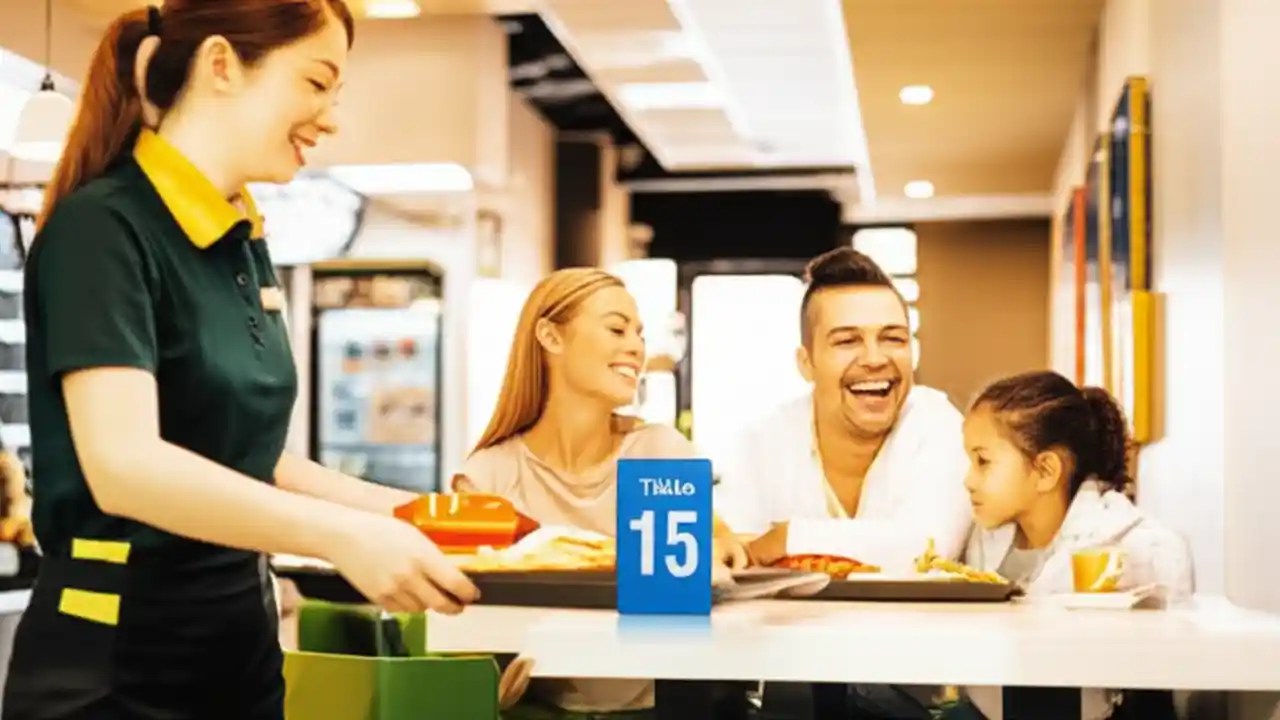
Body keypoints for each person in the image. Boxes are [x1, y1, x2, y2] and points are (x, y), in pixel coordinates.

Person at [5, 3, 477, 718]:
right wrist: (345, 536)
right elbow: (124, 467)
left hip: (238, 657)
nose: (330, 118)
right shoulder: (102, 229)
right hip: (117, 674)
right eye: (316, 83)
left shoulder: (241, 237)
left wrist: (431, 516)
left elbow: (255, 458)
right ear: (221, 64)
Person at [454, 268, 748, 716]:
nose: (636, 347)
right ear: (550, 336)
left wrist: (719, 545)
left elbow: (706, 553)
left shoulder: (661, 452)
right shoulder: (488, 478)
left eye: (640, 334)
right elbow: (464, 637)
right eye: (616, 328)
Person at [951, 371, 1192, 720]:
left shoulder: (1140, 547)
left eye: (983, 461)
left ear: (1046, 470)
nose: (968, 481)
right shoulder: (984, 540)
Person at [714, 247, 972, 571]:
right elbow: (732, 551)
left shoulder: (937, 424)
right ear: (807, 364)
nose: (875, 359)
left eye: (893, 338)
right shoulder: (764, 440)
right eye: (848, 341)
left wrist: (788, 538)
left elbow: (927, 548)